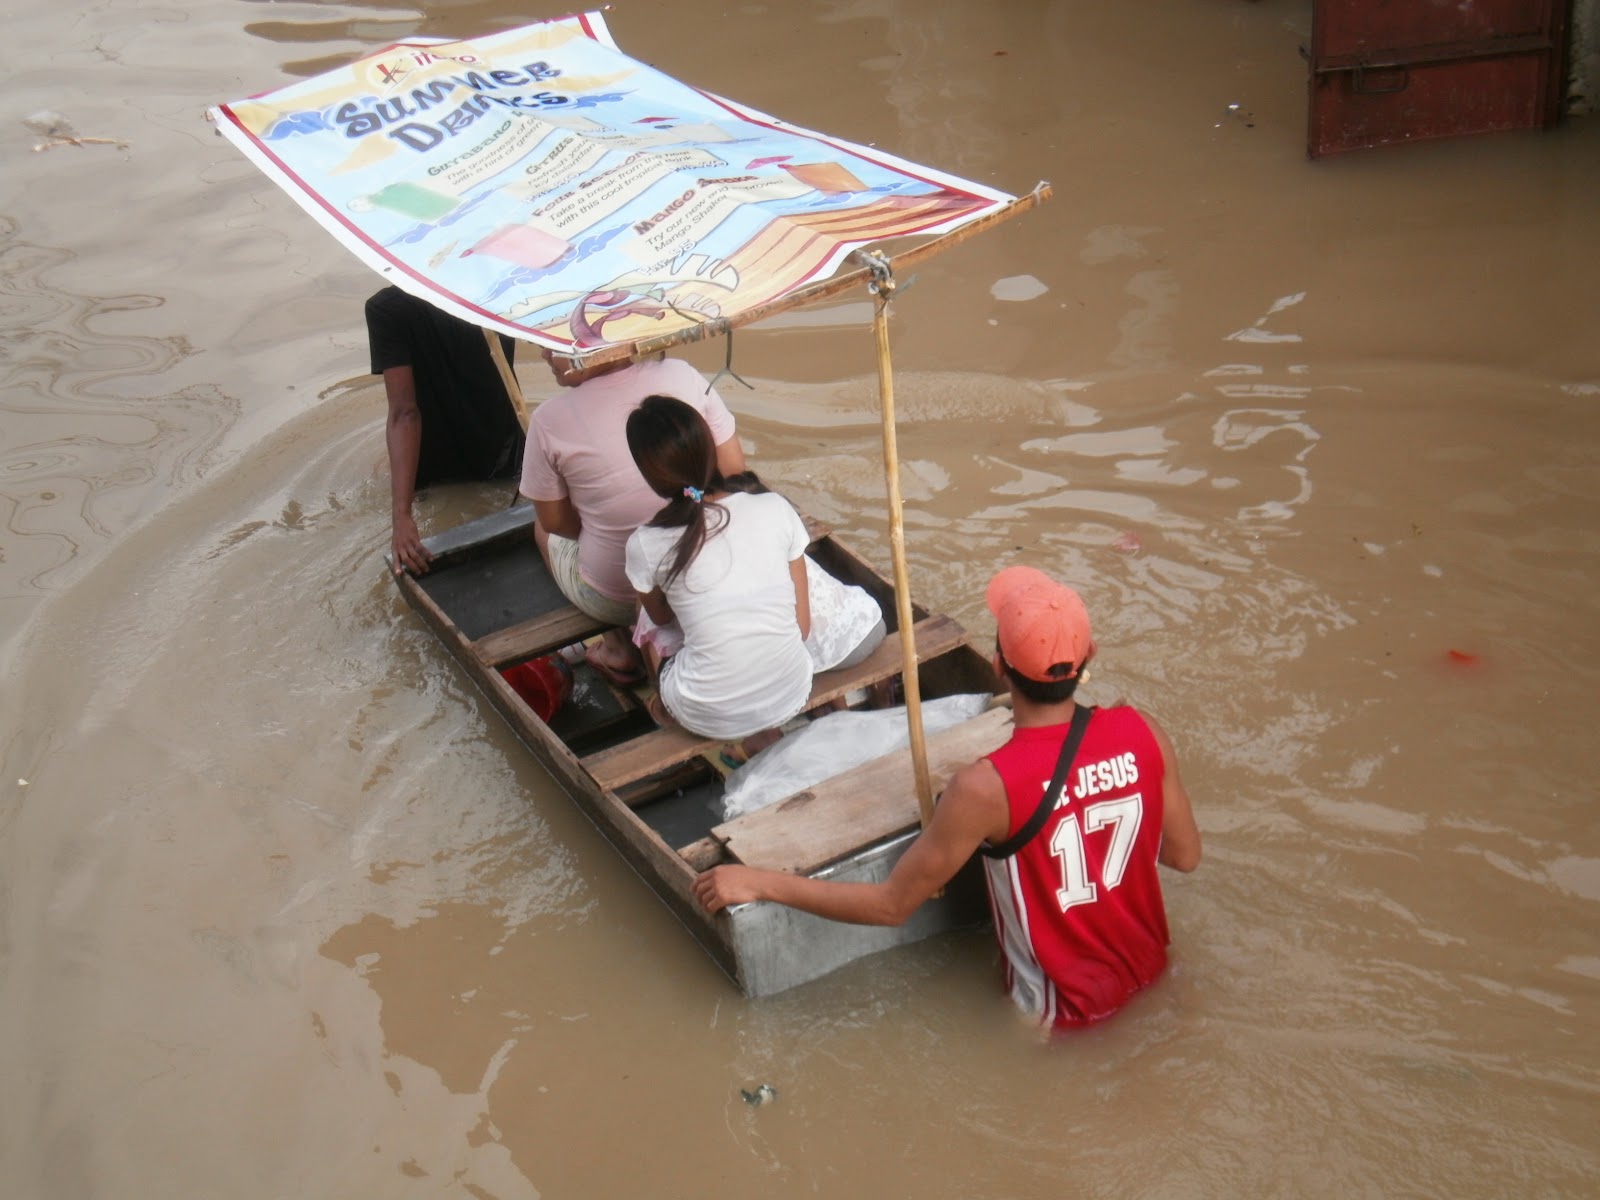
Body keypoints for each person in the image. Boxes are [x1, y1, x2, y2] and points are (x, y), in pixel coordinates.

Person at [692, 565, 1202, 1031]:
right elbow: (1184, 856)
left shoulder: (984, 788)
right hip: (1154, 977)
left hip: (1062, 1017)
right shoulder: (1143, 732)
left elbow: (892, 906)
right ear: (1089, 657)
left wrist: (760, 883)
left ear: (999, 666)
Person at [520, 353, 745, 685]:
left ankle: (617, 645)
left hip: (621, 595)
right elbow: (735, 472)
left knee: (542, 529)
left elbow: (556, 524)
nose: (543, 354)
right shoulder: (681, 372)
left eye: (552, 344)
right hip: (717, 565)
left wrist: (602, 520)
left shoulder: (547, 420)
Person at [623, 396, 814, 744]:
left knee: (644, 613)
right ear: (710, 449)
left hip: (705, 713)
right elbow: (802, 627)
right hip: (792, 689)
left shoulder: (644, 543)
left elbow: (662, 620)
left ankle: (666, 707)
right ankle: (761, 732)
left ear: (652, 476)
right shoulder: (774, 506)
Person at [365, 286, 526, 576]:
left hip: (430, 467)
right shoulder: (498, 286)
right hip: (504, 455)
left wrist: (401, 516)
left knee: (378, 473)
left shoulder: (387, 308)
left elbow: (404, 413)